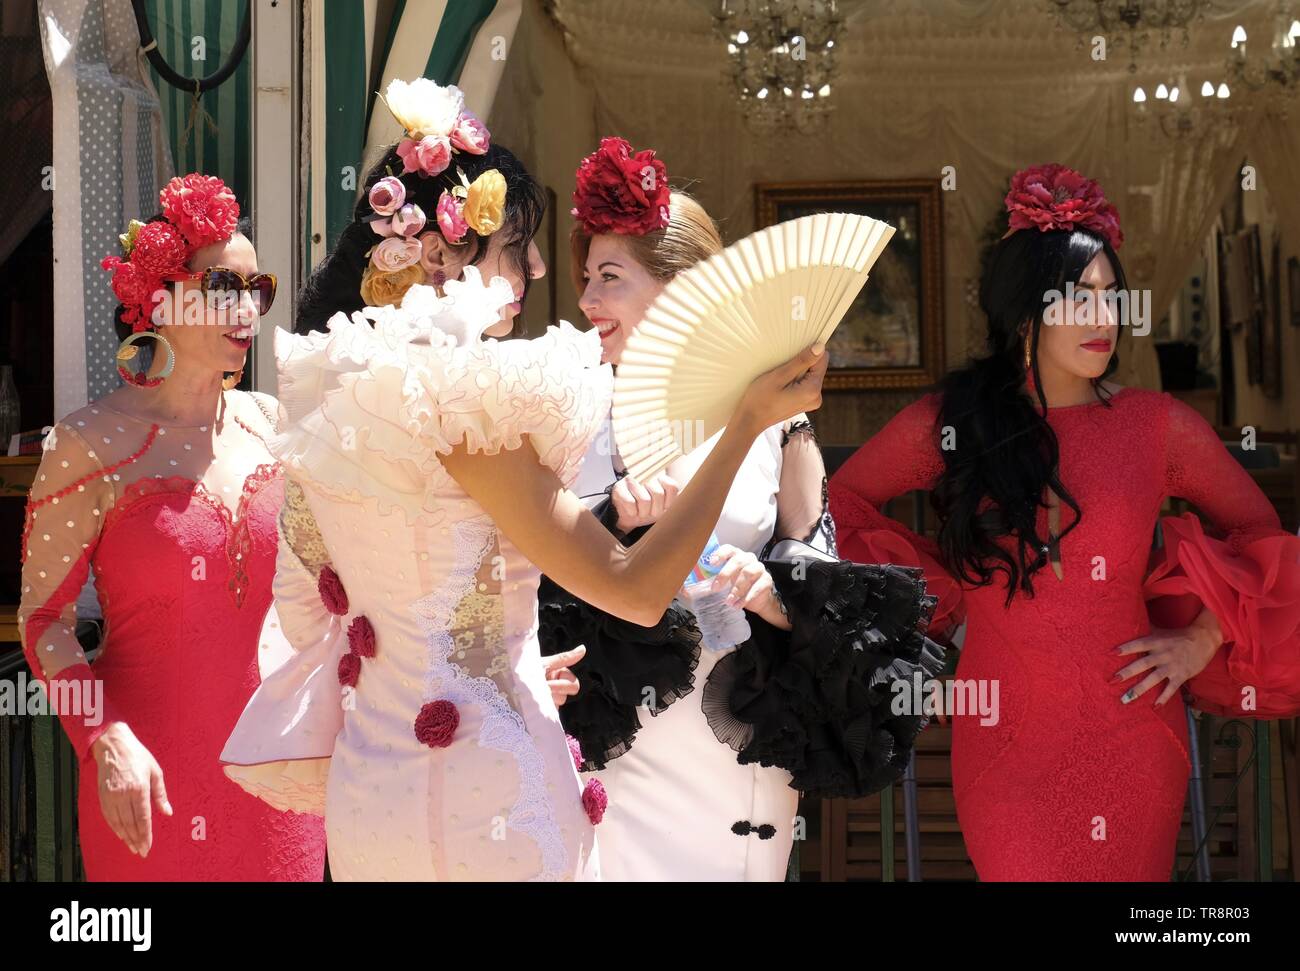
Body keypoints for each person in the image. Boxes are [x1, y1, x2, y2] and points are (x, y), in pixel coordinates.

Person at [220, 81, 828, 882]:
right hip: (490, 799)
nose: (542, 268)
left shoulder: (332, 397)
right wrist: (747, 421)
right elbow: (638, 592)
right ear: (437, 254)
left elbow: (314, 619)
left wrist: (458, 657)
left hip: (374, 794)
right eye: (516, 244)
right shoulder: (465, 406)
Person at [829, 163, 1300, 881]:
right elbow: (838, 508)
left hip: (1136, 735)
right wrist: (938, 602)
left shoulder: (1157, 427)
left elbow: (1266, 540)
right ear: (1026, 309)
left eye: (1112, 298)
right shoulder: (951, 423)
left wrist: (1202, 638)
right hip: (1004, 742)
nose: (1104, 318)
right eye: (1079, 297)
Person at [536, 138, 942, 881]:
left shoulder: (783, 426)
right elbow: (539, 608)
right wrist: (616, 526)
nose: (589, 300)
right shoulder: (571, 422)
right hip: (632, 769)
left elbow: (828, 597)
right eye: (587, 276)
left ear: (685, 289)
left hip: (751, 764)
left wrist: (773, 594)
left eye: (611, 277)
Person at [18, 173, 326, 880]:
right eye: (225, 285)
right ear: (161, 295)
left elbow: (337, 589)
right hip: (147, 794)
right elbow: (45, 623)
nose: (247, 308)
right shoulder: (88, 443)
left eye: (258, 289)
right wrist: (101, 737)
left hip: (280, 790)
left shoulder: (273, 425)